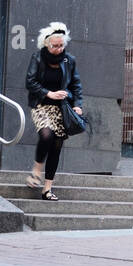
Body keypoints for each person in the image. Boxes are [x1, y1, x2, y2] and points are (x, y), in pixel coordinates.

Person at [24, 22, 83, 201]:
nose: (58, 49)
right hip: (41, 105)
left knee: (57, 145)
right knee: (47, 135)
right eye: (54, 46)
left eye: (61, 45)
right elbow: (30, 82)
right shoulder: (38, 58)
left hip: (61, 108)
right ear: (46, 44)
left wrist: (77, 104)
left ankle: (47, 188)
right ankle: (36, 169)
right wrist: (49, 93)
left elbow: (76, 84)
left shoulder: (69, 61)